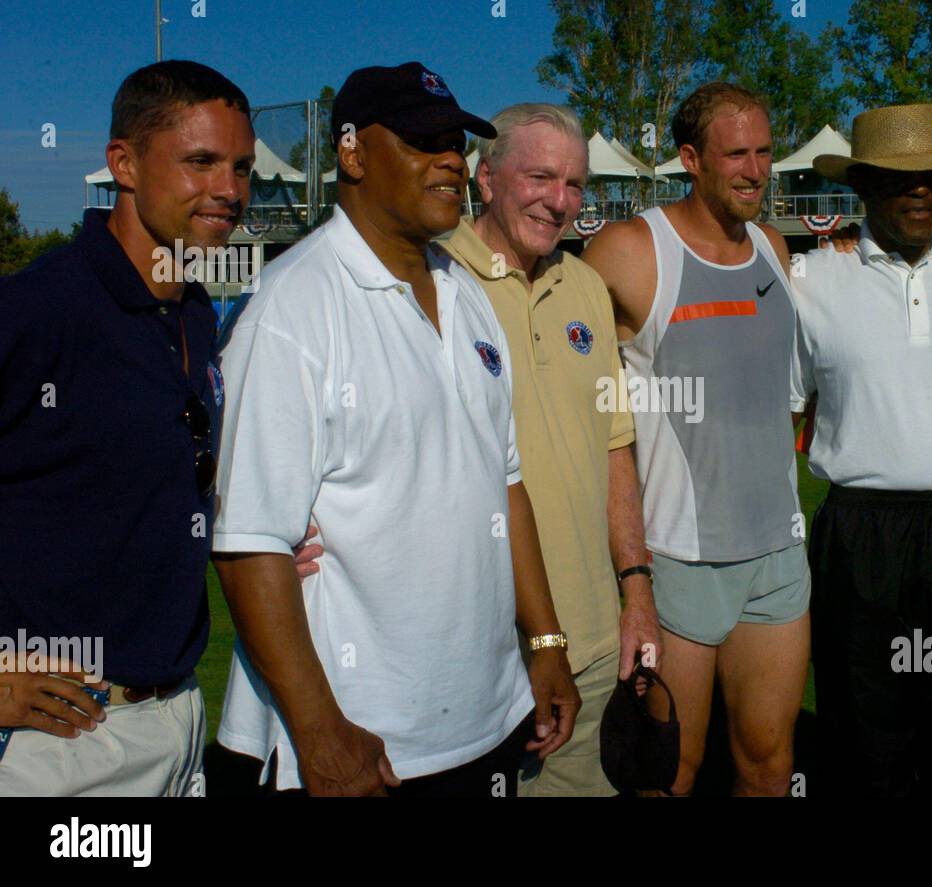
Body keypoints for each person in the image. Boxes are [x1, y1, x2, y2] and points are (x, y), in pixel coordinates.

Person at [211, 62, 578, 797]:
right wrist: (321, 734)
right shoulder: (293, 309)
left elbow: (506, 485)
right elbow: (250, 544)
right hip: (363, 743)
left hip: (487, 719)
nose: (451, 159)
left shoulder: (468, 295)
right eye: (421, 139)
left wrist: (543, 643)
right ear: (350, 153)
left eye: (456, 141)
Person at [0, 60, 262, 796]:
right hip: (65, 745)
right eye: (201, 161)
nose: (230, 190)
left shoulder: (192, 311)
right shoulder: (37, 309)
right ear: (123, 163)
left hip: (180, 722)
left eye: (240, 166)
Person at [583, 82, 809, 797]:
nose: (756, 170)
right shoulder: (628, 249)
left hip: (779, 555)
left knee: (769, 766)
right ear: (690, 158)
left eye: (765, 152)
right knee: (669, 768)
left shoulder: (773, 248)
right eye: (736, 154)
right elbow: (561, 371)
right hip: (680, 560)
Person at [790, 103, 932, 797]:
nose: (921, 191)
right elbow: (789, 407)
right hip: (860, 538)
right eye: (899, 179)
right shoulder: (813, 281)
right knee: (866, 739)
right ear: (862, 185)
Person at [442, 102, 660, 796]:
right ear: (486, 179)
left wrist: (636, 589)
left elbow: (616, 450)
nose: (559, 201)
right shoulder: (433, 278)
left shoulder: (587, 287)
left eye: (573, 184)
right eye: (540, 177)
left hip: (595, 643)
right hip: (480, 651)